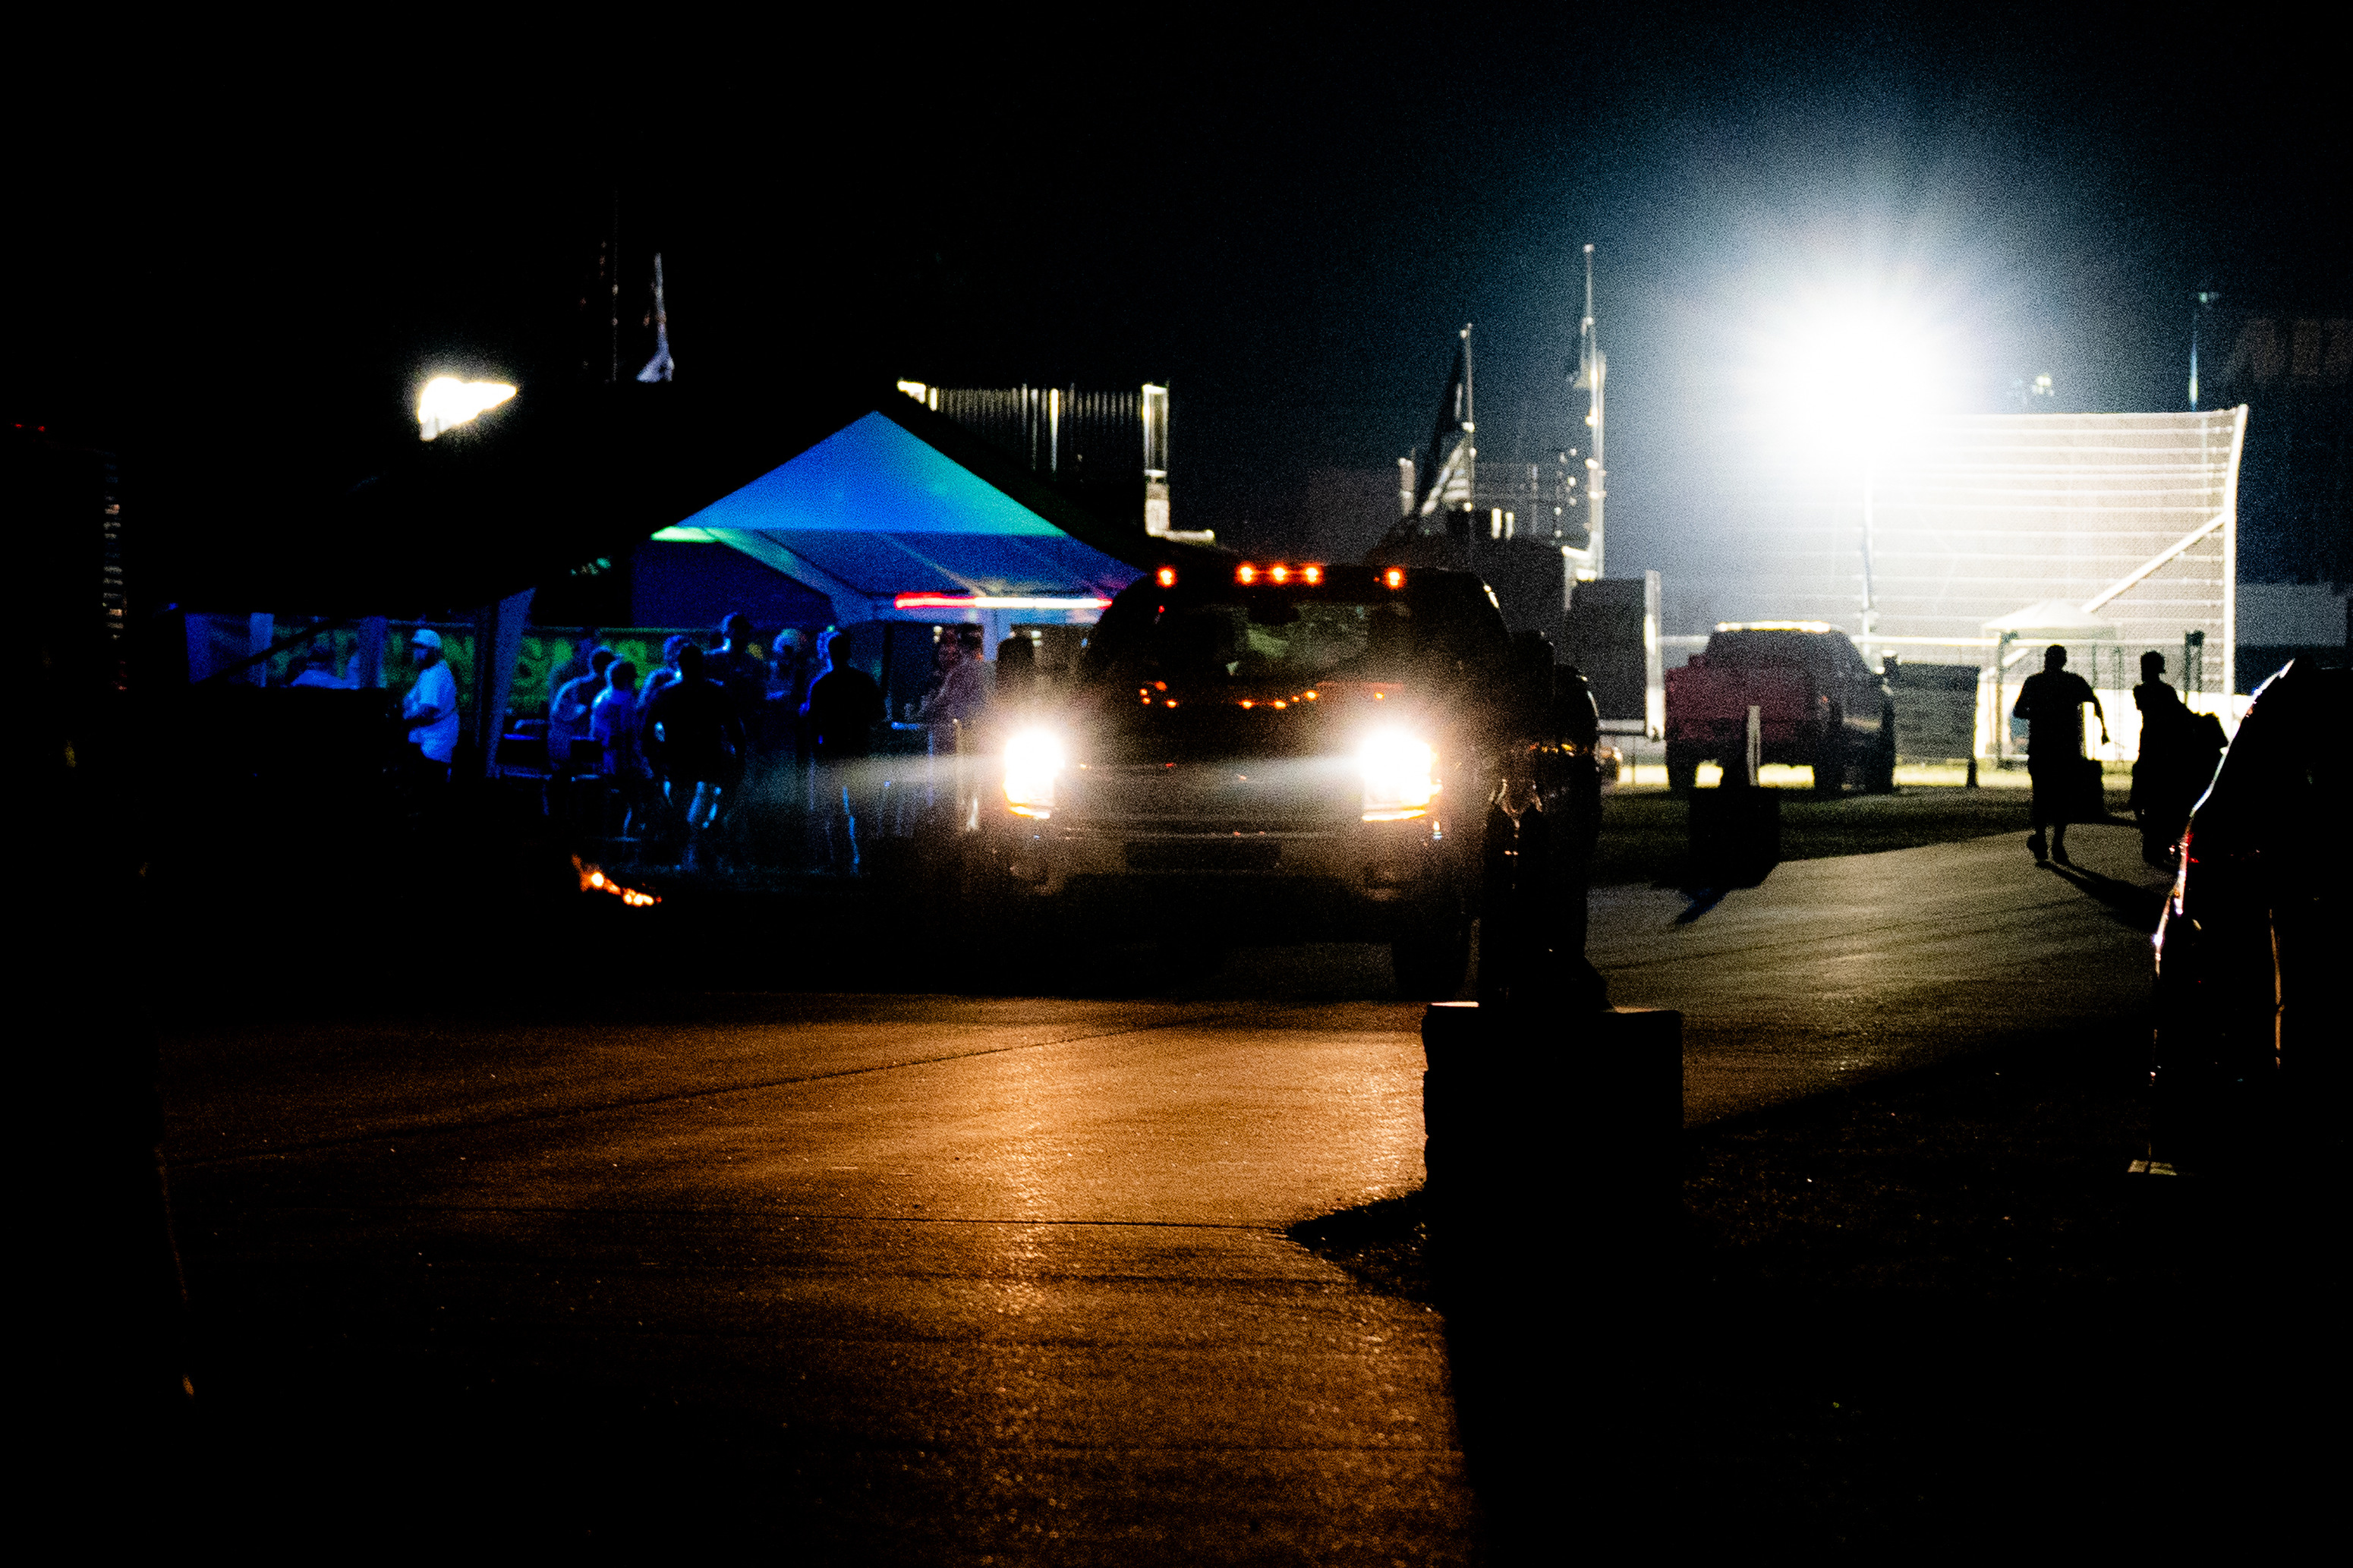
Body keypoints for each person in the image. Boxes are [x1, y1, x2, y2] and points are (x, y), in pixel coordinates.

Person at [642, 644, 745, 869]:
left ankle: (685, 858)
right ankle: (705, 840)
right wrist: (739, 760)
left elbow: (646, 732)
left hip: (678, 762)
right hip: (708, 760)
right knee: (703, 811)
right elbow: (736, 730)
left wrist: (654, 765)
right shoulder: (715, 691)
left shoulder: (666, 693)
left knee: (681, 814)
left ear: (679, 664)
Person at [2011, 643, 2107, 864]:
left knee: (2041, 796)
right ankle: (2057, 843)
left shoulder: (2034, 682)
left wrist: (2038, 713)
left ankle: (2042, 839)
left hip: (2041, 748)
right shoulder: (2073, 682)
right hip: (2066, 749)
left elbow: (2018, 710)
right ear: (2064, 661)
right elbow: (2095, 701)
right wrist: (2103, 730)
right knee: (2063, 797)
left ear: (2045, 660)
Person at [800, 628, 884, 874]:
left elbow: (812, 725)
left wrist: (816, 754)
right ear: (849, 653)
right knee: (861, 810)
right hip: (858, 751)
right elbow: (880, 715)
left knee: (834, 811)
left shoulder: (821, 685)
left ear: (828, 654)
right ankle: (864, 859)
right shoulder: (864, 681)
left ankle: (839, 861)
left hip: (830, 755)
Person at [2131, 651, 2193, 869]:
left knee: (2142, 795)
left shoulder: (2141, 690)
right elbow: (2182, 714)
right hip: (2164, 749)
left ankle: (2152, 833)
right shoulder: (2164, 692)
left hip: (2150, 747)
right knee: (2164, 794)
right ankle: (2161, 836)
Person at [402, 628, 461, 774]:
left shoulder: (436, 675)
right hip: (427, 738)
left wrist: (405, 717)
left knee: (429, 782)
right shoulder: (428, 671)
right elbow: (408, 701)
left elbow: (426, 712)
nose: (417, 653)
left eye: (422, 648)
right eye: (416, 648)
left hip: (435, 743)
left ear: (434, 650)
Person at [548, 647, 615, 774]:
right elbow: (561, 722)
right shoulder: (576, 689)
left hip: (577, 753)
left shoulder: (571, 687)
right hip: (575, 754)